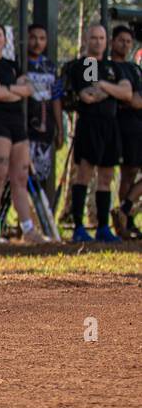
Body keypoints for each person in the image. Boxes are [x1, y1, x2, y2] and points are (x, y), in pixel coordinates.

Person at [60, 23, 131, 244]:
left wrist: (105, 87)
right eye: (94, 38)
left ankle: (102, 227)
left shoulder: (112, 66)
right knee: (85, 173)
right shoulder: (88, 64)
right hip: (90, 124)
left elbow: (126, 92)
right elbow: (89, 95)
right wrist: (111, 90)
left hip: (110, 125)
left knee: (106, 177)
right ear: (87, 40)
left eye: (101, 38)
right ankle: (79, 227)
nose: (98, 42)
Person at [0, 23, 44, 244]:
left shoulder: (12, 65)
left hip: (17, 123)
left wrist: (8, 90)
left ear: (5, 40)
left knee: (20, 177)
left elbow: (28, 89)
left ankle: (28, 229)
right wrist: (12, 91)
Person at [109, 25, 142, 239]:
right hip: (109, 124)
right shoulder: (95, 63)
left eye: (129, 41)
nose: (125, 45)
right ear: (111, 42)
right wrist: (123, 94)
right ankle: (104, 223)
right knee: (118, 173)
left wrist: (119, 94)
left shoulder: (134, 68)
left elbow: (137, 100)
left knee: (130, 173)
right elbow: (90, 91)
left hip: (135, 125)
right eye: (121, 40)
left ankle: (125, 212)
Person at [25, 23, 64, 191]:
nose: (37, 43)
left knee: (40, 177)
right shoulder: (20, 64)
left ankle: (37, 215)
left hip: (45, 131)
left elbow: (56, 98)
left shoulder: (50, 67)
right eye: (33, 38)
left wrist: (60, 128)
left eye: (42, 39)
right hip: (23, 129)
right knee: (19, 175)